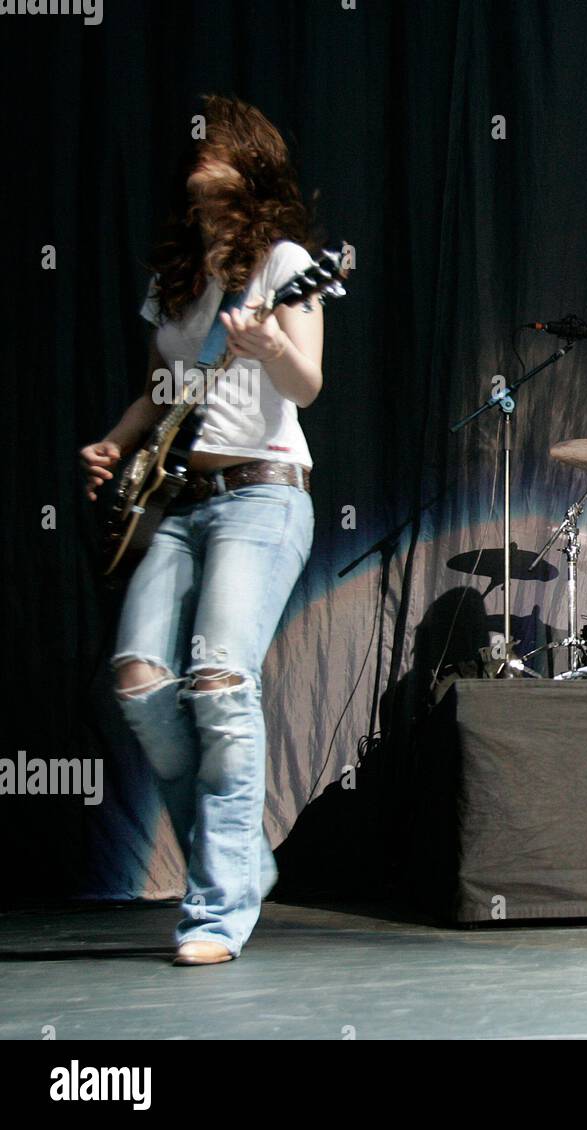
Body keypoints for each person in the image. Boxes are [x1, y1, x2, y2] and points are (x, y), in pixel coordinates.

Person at [80, 95, 323, 965]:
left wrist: (266, 349)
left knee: (220, 684)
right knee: (143, 683)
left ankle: (216, 910)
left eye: (215, 147)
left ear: (247, 164)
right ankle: (245, 859)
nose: (198, 159)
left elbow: (307, 386)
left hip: (264, 495)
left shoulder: (287, 263)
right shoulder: (179, 276)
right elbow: (168, 390)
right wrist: (116, 442)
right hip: (182, 501)